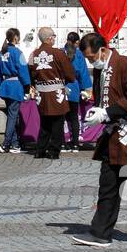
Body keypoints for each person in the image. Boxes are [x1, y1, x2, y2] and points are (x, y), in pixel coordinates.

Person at [72, 32, 127, 248]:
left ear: (103, 49)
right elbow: (102, 98)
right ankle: (100, 233)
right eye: (89, 59)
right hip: (113, 135)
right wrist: (98, 111)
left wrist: (107, 112)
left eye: (93, 57)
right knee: (108, 185)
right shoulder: (101, 70)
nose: (92, 61)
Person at [28, 28, 77, 160]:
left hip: (41, 94)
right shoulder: (58, 53)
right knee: (57, 123)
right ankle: (54, 151)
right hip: (56, 93)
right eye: (53, 36)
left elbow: (30, 73)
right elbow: (69, 72)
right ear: (50, 38)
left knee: (44, 123)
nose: (54, 39)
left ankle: (40, 150)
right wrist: (70, 78)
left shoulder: (33, 54)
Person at [0, 27, 30, 153]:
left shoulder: (2, 52)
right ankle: (6, 143)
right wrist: (27, 86)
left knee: (11, 115)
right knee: (13, 116)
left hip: (6, 85)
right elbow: (23, 70)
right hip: (16, 86)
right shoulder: (18, 52)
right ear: (16, 38)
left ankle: (15, 144)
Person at [62, 30, 93, 152]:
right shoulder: (79, 54)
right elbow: (83, 73)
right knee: (74, 116)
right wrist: (87, 89)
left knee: (62, 117)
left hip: (62, 87)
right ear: (77, 42)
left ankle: (63, 144)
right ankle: (75, 144)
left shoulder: (60, 52)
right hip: (74, 86)